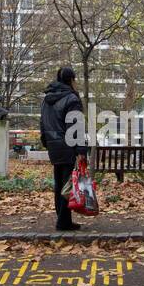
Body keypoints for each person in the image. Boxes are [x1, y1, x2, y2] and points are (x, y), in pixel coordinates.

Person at [39, 66, 86, 231]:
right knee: (67, 184)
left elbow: (43, 123)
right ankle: (63, 222)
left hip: (54, 146)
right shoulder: (71, 99)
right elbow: (76, 127)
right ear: (71, 80)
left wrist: (47, 142)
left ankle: (62, 218)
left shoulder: (47, 99)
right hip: (68, 146)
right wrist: (81, 150)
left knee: (59, 183)